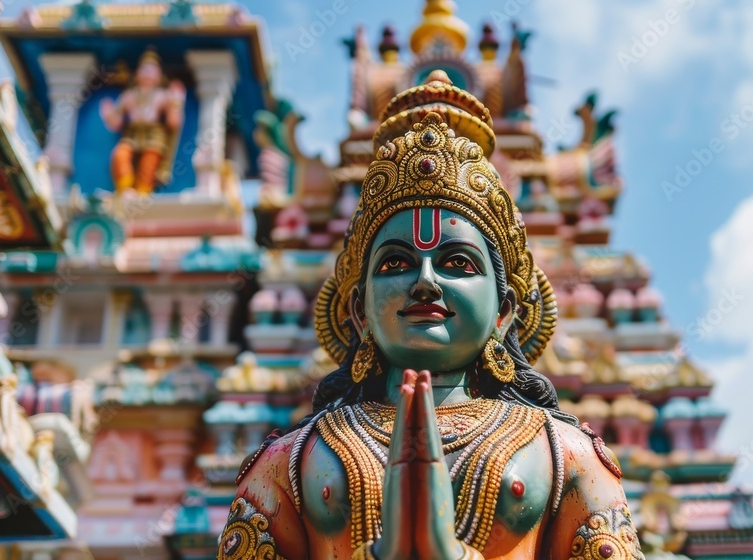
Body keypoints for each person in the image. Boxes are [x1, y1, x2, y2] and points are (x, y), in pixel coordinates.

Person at [217, 71, 645, 560]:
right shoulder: (290, 460)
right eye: (395, 263)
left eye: (457, 263)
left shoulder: (566, 454)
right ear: (359, 312)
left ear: (504, 311)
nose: (424, 281)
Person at [100, 49, 185, 195]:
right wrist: (108, 115)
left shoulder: (162, 95)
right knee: (120, 155)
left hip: (154, 136)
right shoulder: (129, 95)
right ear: (137, 74)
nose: (147, 73)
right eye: (144, 69)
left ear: (159, 76)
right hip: (132, 134)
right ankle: (125, 188)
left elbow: (173, 123)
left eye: (152, 70)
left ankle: (143, 190)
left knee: (149, 161)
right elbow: (116, 122)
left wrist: (177, 102)